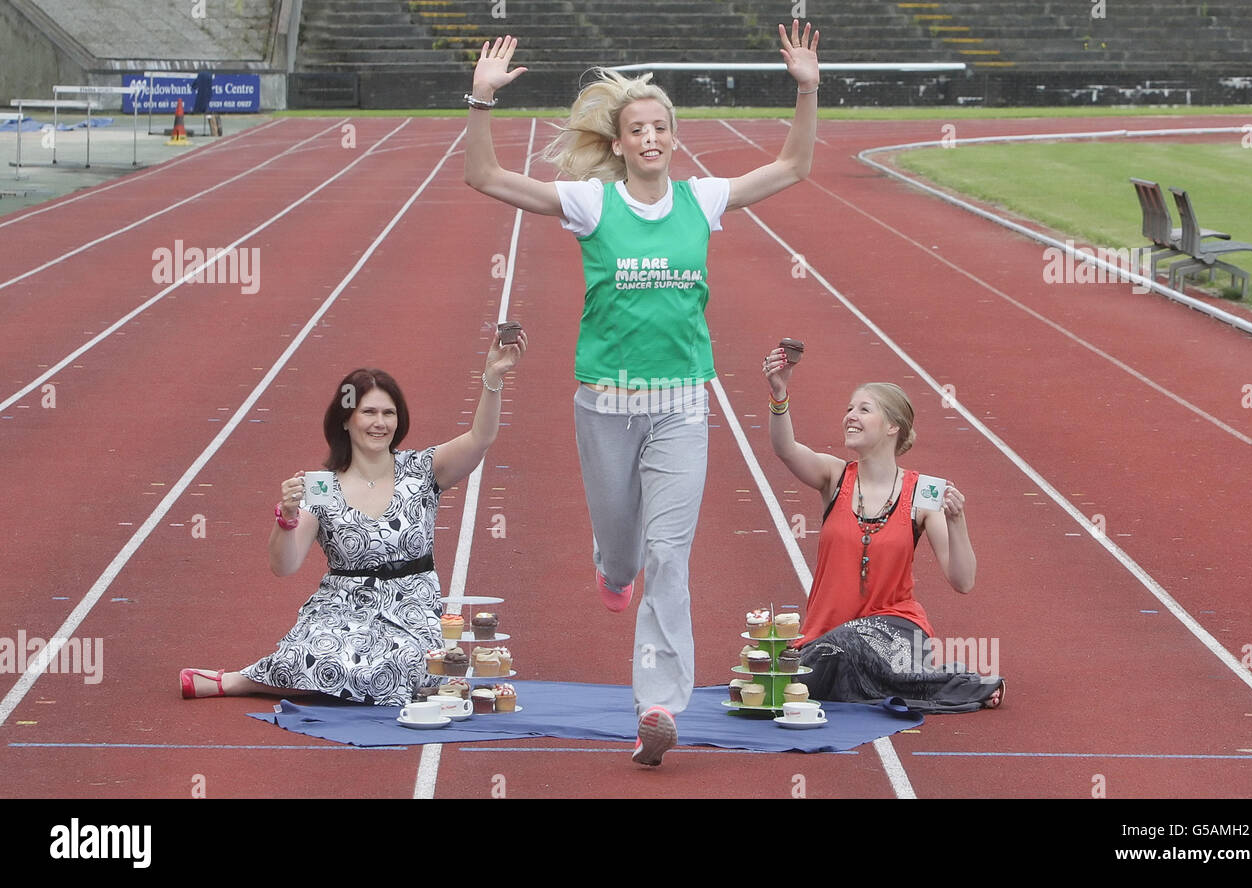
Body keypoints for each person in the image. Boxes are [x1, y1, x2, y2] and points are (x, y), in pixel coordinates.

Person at [464, 21, 821, 765]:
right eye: (638, 129)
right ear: (620, 144)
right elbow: (488, 180)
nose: (652, 138)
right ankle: (611, 567)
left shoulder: (704, 199)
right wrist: (480, 102)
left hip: (683, 403)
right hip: (605, 403)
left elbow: (791, 167)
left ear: (672, 139)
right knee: (625, 549)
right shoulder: (594, 205)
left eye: (662, 127)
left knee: (670, 553)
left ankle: (657, 705)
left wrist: (808, 87)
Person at [178, 334, 526, 705]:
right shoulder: (322, 487)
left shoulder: (422, 468)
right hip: (341, 607)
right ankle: (238, 681)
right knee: (312, 655)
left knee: (407, 663)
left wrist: (493, 378)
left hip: (410, 606)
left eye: (388, 413)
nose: (380, 423)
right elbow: (285, 565)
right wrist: (287, 518)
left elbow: (480, 437)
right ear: (346, 420)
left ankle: (294, 681)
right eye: (369, 413)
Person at [762, 345, 1005, 712]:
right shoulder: (834, 476)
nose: (850, 416)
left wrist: (957, 522)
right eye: (848, 408)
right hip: (828, 636)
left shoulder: (922, 493)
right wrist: (779, 393)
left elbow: (963, 581)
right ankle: (896, 683)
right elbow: (785, 448)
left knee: (836, 653)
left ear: (892, 426)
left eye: (864, 409)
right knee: (808, 663)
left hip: (899, 631)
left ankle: (968, 686)